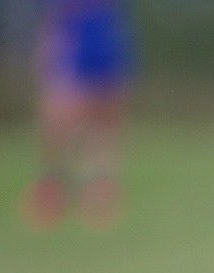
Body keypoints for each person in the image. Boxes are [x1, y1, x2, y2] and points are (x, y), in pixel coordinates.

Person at [22, 0, 136, 230]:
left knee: (105, 116)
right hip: (71, 28)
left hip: (105, 26)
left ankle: (98, 190)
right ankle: (53, 188)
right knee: (61, 112)